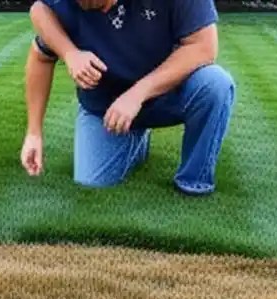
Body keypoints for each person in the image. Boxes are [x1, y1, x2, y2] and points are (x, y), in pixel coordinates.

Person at [20, 0, 234, 195]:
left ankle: (193, 182)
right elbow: (39, 21)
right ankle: (135, 141)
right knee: (92, 182)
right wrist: (34, 133)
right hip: (107, 107)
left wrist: (137, 94)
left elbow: (204, 47)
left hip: (169, 92)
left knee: (215, 83)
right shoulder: (65, 6)